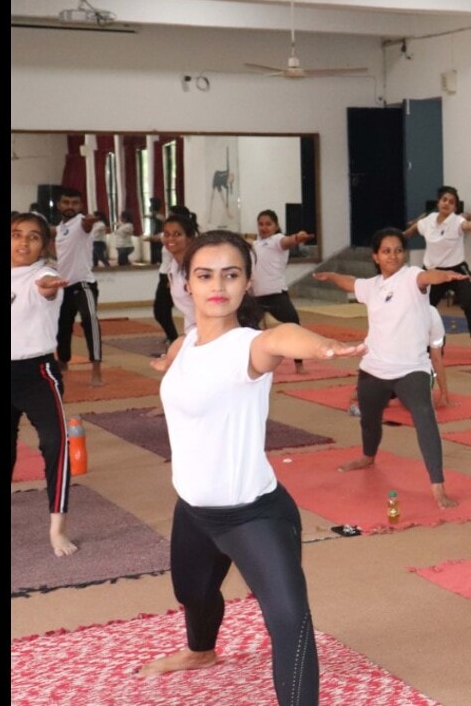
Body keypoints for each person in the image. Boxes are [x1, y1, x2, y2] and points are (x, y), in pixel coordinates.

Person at [138, 230, 367, 705]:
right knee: (193, 595)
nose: (217, 285)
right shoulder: (187, 344)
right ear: (187, 283)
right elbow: (182, 370)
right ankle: (201, 652)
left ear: (246, 284)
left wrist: (322, 345)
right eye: (205, 275)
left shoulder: (251, 346)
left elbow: (282, 337)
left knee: (288, 620)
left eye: (231, 274)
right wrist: (165, 362)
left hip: (253, 515)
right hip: (193, 511)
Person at [313, 230, 466, 509]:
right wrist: (332, 276)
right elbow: (351, 283)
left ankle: (438, 486)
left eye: (398, 250)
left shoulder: (411, 277)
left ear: (404, 254)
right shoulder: (371, 286)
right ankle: (368, 456)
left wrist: (444, 275)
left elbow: (426, 277)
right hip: (373, 367)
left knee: (425, 418)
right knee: (369, 419)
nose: (393, 255)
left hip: (412, 369)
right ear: (375, 256)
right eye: (386, 251)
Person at [11, 212, 76, 557]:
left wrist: (48, 288)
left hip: (37, 374)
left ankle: (57, 527)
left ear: (44, 244)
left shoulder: (44, 275)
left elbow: (47, 289)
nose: (23, 242)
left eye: (33, 236)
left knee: (55, 442)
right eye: (17, 234)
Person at [403, 186, 471, 361]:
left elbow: (467, 224)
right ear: (438, 202)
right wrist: (399, 236)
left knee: (470, 303)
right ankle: (429, 346)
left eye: (451, 202)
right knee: (422, 309)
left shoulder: (456, 221)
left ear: (455, 207)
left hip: (456, 269)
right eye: (444, 200)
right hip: (432, 272)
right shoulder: (427, 221)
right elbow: (412, 230)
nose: (447, 204)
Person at [251, 209, 316, 374]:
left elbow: (288, 241)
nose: (264, 227)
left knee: (293, 325)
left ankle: (299, 363)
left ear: (276, 226)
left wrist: (297, 237)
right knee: (247, 330)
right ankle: (253, 363)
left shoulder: (277, 240)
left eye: (268, 224)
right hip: (255, 297)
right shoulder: (256, 244)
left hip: (275, 295)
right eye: (261, 224)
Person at [52, 188, 105, 387]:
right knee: (62, 327)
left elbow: (87, 224)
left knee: (90, 322)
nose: (70, 207)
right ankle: (63, 362)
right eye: (66, 203)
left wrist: (90, 220)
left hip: (84, 284)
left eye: (74, 203)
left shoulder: (82, 223)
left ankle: (97, 369)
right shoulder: (60, 228)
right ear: (59, 205)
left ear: (81, 206)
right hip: (63, 286)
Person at [153, 210, 200, 354]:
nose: (170, 239)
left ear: (190, 238)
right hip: (193, 330)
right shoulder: (174, 266)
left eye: (177, 234)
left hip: (213, 332)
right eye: (166, 234)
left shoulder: (198, 267)